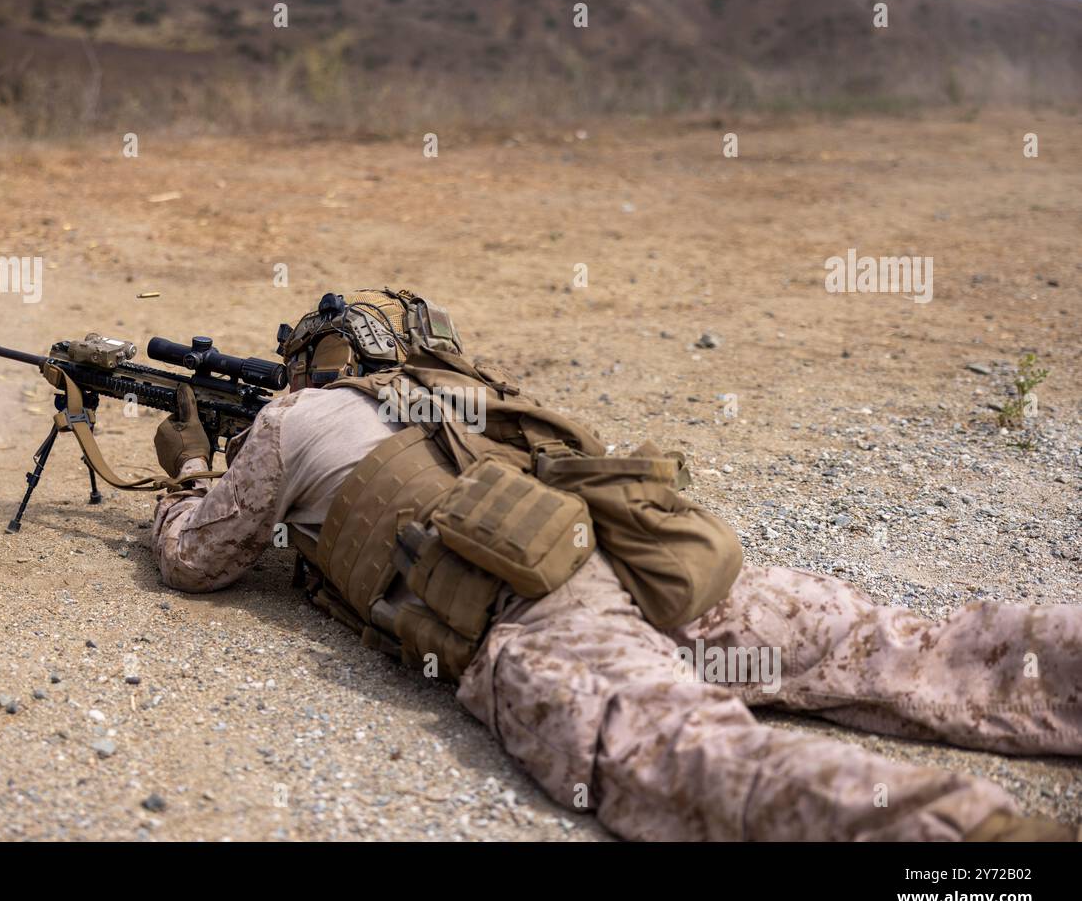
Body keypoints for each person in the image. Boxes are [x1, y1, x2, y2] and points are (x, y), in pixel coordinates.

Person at [150, 291, 1081, 841]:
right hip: (650, 559)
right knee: (910, 649)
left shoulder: (287, 420)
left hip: (540, 611)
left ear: (313, 363)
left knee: (690, 755)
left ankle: (974, 847)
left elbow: (200, 557)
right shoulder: (469, 393)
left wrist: (189, 467)